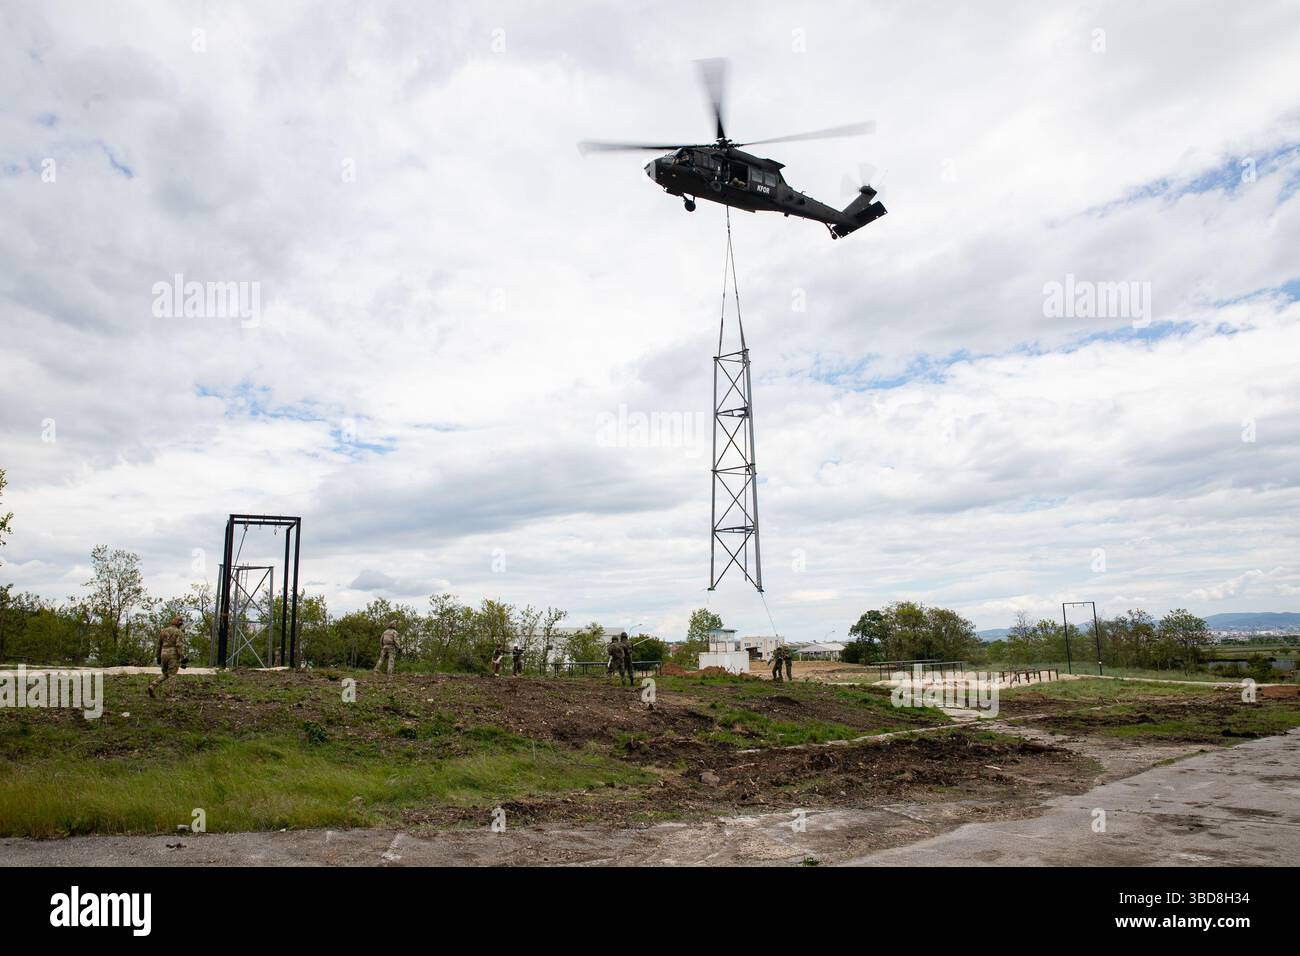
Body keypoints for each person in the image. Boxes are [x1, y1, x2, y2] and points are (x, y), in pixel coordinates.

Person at [148, 614, 186, 698]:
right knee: (172, 674)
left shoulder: (163, 631)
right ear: (179, 624)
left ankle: (153, 685)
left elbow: (159, 645)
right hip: (173, 655)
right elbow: (179, 645)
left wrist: (158, 656)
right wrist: (182, 657)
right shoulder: (179, 632)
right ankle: (169, 694)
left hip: (163, 653)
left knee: (165, 673)